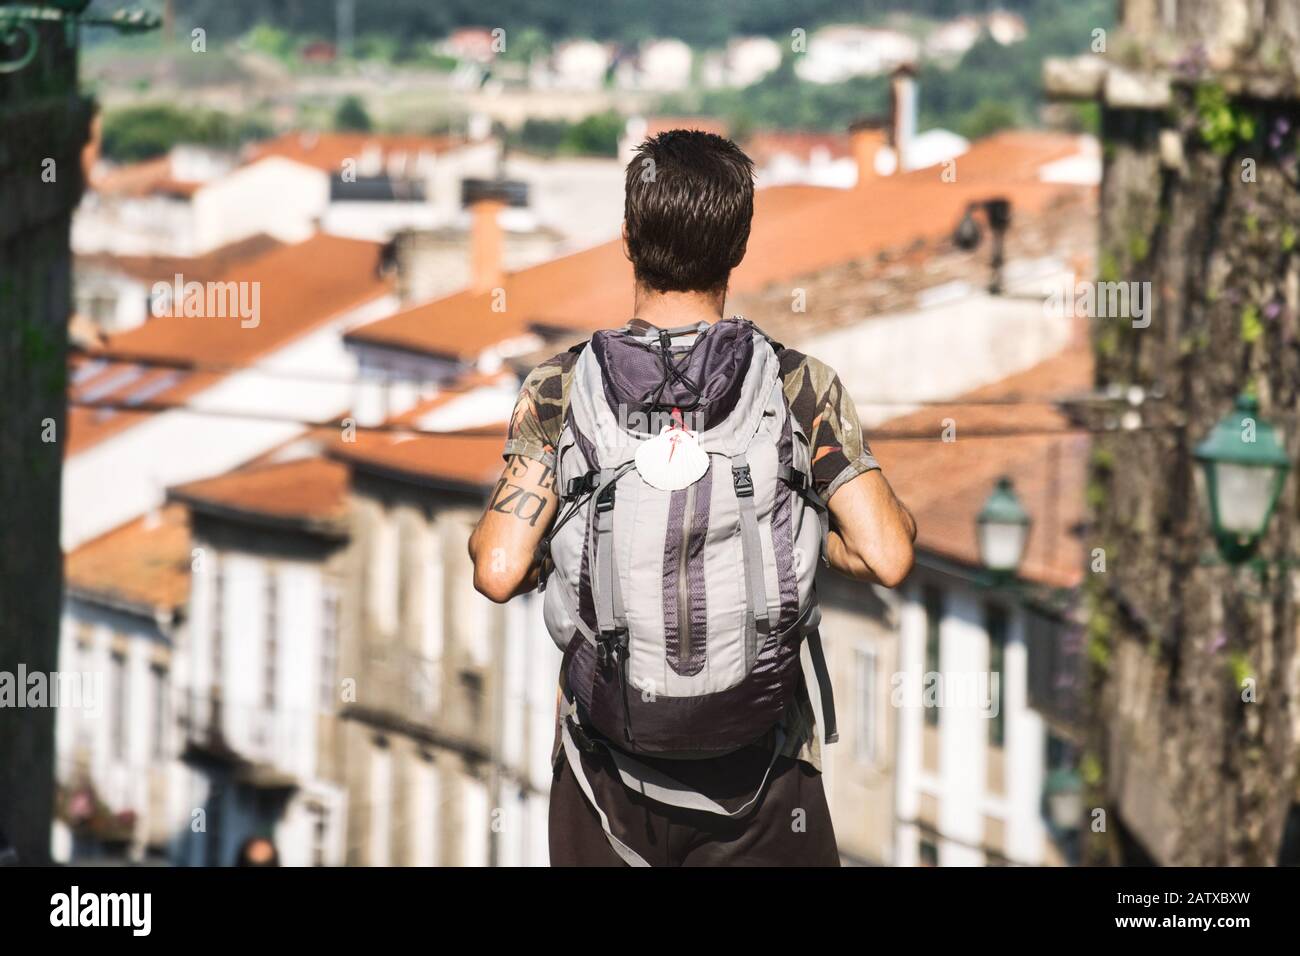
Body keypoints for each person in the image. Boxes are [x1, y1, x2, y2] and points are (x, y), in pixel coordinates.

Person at [468, 130, 915, 867]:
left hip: (605, 773)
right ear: (738, 246)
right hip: (762, 775)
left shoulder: (560, 385)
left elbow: (497, 569)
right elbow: (888, 554)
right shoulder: (800, 384)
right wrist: (809, 531)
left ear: (627, 239)